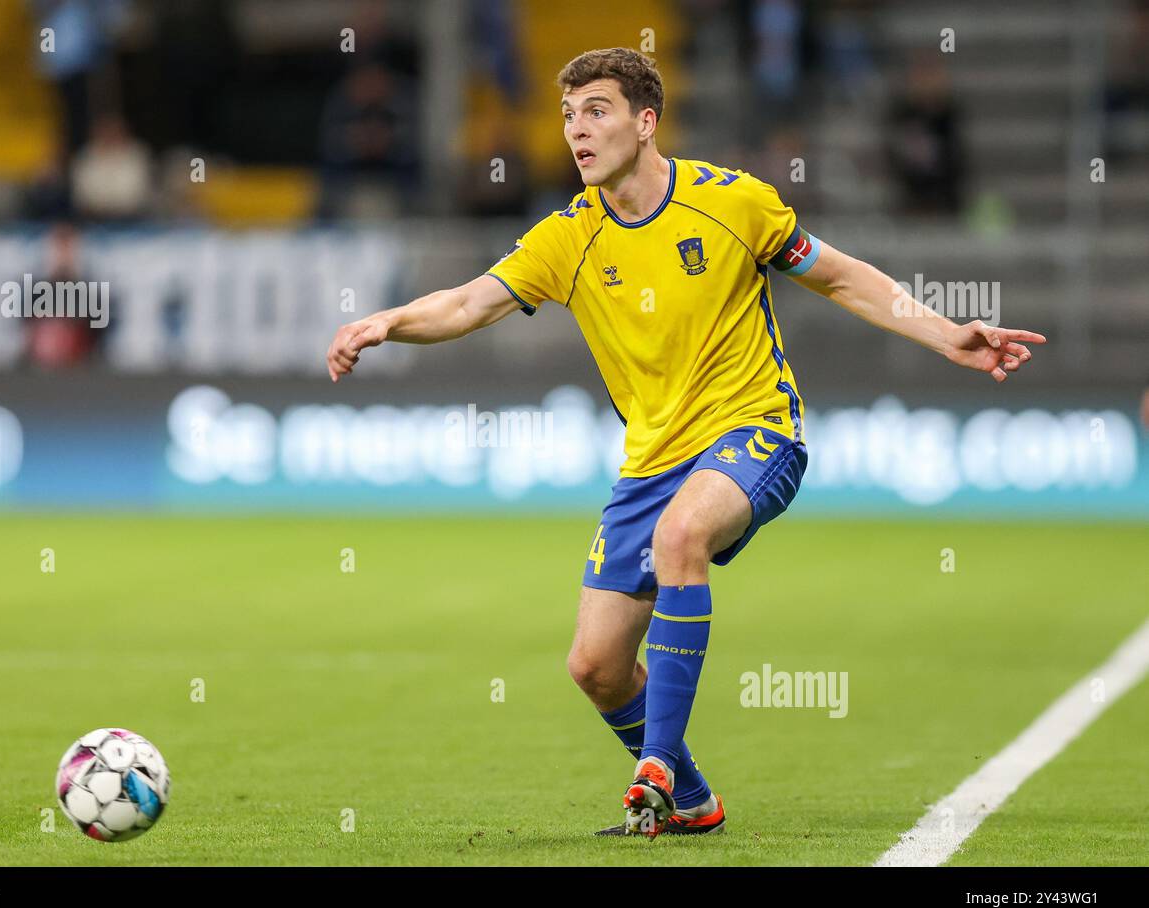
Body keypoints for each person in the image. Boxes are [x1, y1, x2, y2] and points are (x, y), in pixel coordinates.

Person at [325, 48, 1046, 838]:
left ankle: (657, 767)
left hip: (754, 429)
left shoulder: (733, 203)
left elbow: (839, 277)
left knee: (682, 535)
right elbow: (468, 304)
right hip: (650, 465)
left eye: (596, 111)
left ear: (645, 120)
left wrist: (948, 337)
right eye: (568, 116)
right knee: (596, 669)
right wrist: (388, 322)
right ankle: (695, 800)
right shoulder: (569, 237)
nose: (577, 131)